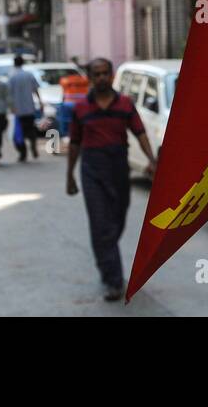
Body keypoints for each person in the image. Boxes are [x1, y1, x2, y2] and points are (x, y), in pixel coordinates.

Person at [66, 57, 158, 301]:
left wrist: (152, 159)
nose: (101, 78)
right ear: (90, 78)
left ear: (112, 75)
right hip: (91, 170)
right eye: (96, 74)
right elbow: (74, 143)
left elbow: (139, 132)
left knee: (116, 221)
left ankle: (107, 258)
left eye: (105, 73)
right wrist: (70, 177)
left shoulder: (125, 104)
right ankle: (113, 280)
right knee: (101, 226)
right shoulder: (81, 109)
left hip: (118, 167)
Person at [7, 56, 42, 162]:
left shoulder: (12, 77)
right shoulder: (29, 75)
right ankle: (33, 145)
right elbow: (35, 89)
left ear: (14, 64)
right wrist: (40, 101)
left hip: (18, 110)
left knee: (18, 132)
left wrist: (11, 107)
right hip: (29, 108)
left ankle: (23, 153)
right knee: (31, 129)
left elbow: (9, 94)